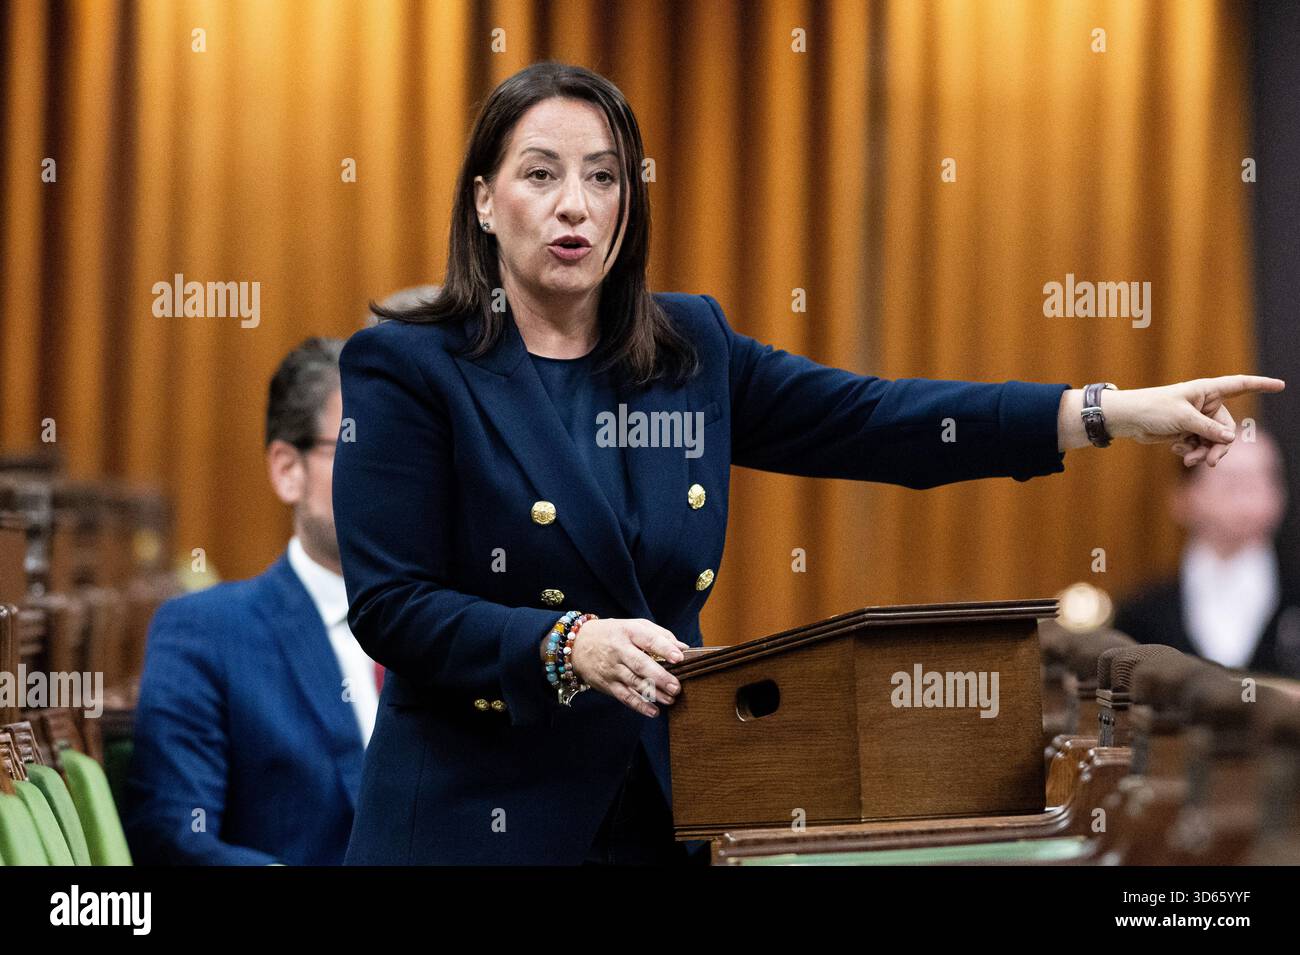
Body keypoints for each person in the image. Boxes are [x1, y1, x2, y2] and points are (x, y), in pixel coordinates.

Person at [331, 61, 1284, 866]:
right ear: (485, 202)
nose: (575, 204)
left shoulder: (688, 350)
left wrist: (1108, 411)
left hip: (661, 813)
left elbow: (881, 419)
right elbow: (392, 604)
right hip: (472, 825)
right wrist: (566, 643)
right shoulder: (411, 367)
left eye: (606, 176)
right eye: (540, 175)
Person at [125, 338, 381, 865]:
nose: (391, 476)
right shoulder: (206, 633)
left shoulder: (469, 625)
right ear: (288, 469)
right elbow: (175, 841)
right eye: (360, 446)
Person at [1115, 430, 1300, 676]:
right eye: (1232, 484)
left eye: (1265, 480)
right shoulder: (1142, 614)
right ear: (1183, 497)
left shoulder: (1293, 596)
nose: (1251, 500)